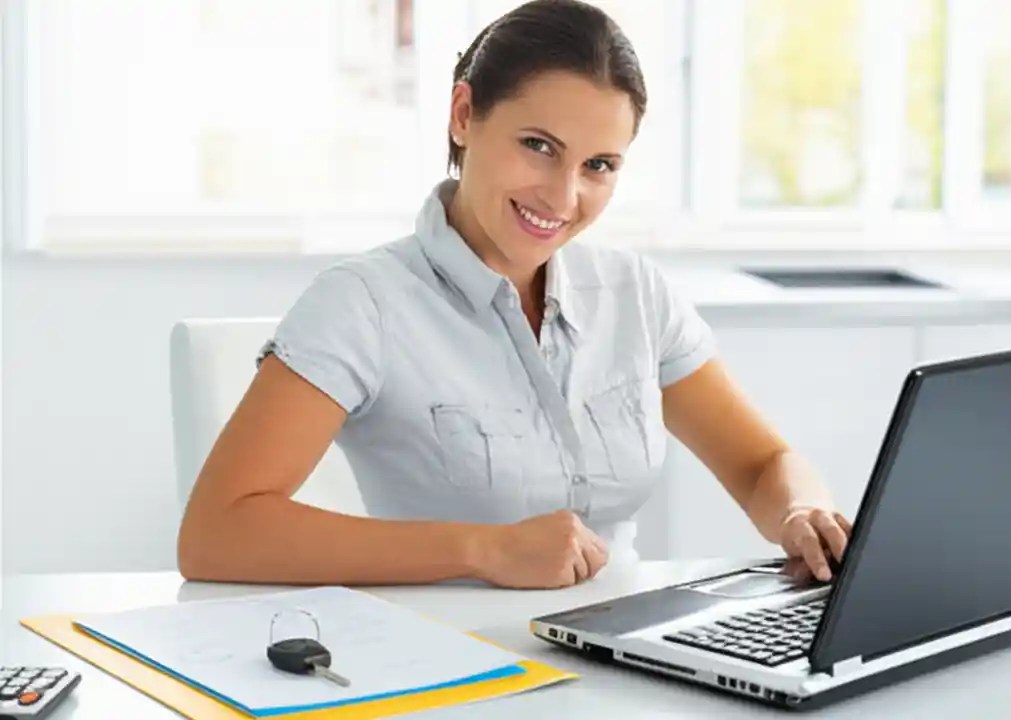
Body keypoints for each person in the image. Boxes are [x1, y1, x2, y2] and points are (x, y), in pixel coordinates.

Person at [177, 0, 851, 590]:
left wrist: (800, 512)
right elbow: (217, 531)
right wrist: (483, 549)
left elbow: (762, 465)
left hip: (626, 661)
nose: (563, 197)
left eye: (599, 166)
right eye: (538, 146)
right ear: (464, 116)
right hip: (447, 661)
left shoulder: (635, 294)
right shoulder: (364, 304)